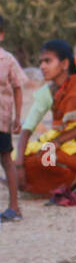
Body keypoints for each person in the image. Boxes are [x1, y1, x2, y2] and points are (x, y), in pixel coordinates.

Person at [18, 40, 76, 203]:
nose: (42, 67)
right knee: (24, 160)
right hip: (63, 143)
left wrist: (58, 141)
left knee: (44, 158)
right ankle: (71, 181)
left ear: (64, 64)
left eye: (47, 61)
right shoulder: (47, 92)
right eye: (40, 62)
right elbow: (27, 127)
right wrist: (18, 164)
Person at [0, 19, 24, 221]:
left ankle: (14, 207)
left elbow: (18, 87)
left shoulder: (7, 60)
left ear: (1, 36)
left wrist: (18, 116)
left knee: (6, 159)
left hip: (2, 120)